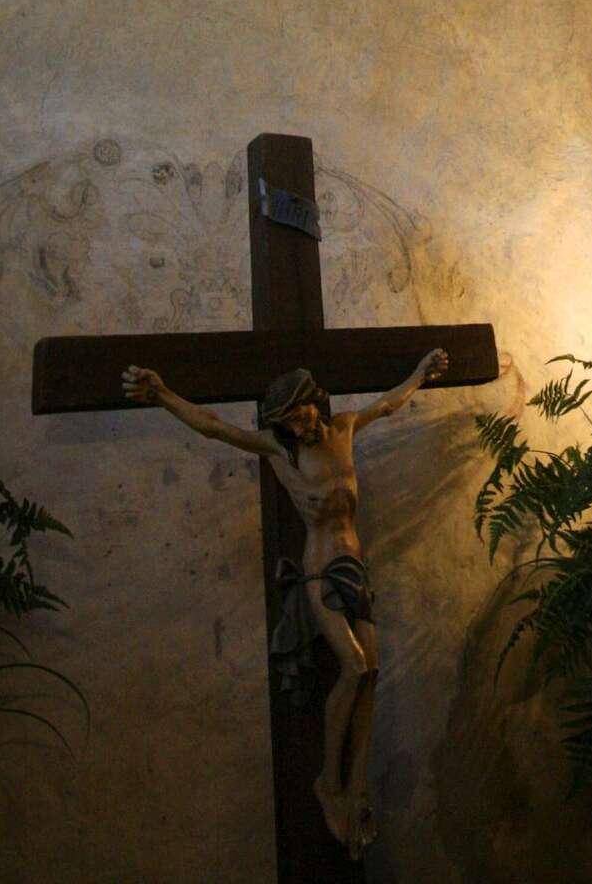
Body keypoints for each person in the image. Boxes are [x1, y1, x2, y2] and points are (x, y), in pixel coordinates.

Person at [121, 348, 448, 860]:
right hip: (320, 571)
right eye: (285, 420)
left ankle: (356, 785)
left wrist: (421, 374)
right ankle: (327, 780)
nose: (294, 424)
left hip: (355, 567)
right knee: (355, 666)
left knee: (374, 672)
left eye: (298, 412)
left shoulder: (343, 429)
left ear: (312, 402)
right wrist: (162, 394)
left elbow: (387, 405)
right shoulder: (280, 452)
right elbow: (214, 427)